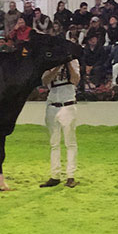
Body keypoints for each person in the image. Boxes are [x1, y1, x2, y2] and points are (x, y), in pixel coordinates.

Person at [40, 55, 80, 188]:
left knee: (70, 142)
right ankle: (55, 175)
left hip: (68, 103)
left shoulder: (73, 62)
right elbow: (45, 81)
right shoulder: (49, 63)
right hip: (52, 104)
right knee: (54, 143)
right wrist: (57, 67)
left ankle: (70, 175)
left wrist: (67, 63)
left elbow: (75, 79)